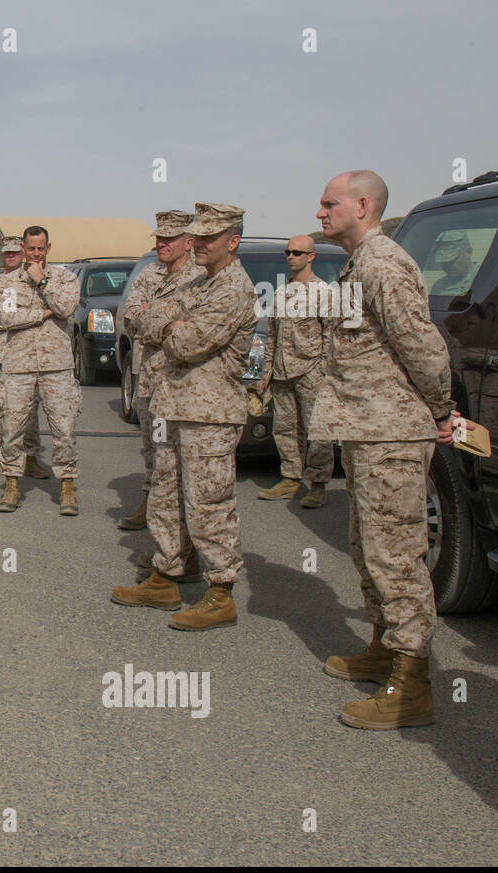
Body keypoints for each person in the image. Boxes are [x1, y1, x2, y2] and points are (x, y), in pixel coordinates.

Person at [311, 170, 457, 730]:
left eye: (331, 203)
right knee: (368, 548)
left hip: (392, 434)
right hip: (368, 430)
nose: (321, 212)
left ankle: (411, 681)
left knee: (396, 556)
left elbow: (422, 345)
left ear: (363, 205)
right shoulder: (358, 264)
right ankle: (381, 646)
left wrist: (441, 411)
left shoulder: (383, 264)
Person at [110, 202, 257, 631]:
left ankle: (220, 592)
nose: (199, 245)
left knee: (209, 503)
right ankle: (168, 575)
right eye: (198, 237)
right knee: (167, 495)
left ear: (232, 242)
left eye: (208, 239)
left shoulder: (233, 288)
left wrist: (171, 326)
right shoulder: (199, 283)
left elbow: (187, 342)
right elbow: (150, 318)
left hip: (210, 414)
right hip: (175, 406)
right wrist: (169, 322)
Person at [116, 210, 203, 530]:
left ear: (189, 242)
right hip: (149, 380)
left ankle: (185, 519)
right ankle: (151, 505)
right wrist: (169, 324)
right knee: (154, 447)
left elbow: (197, 329)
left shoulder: (201, 277)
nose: (161, 243)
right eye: (159, 237)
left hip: (183, 381)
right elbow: (130, 315)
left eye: (169, 238)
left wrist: (154, 319)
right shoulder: (149, 274)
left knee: (184, 454)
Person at [0, 226, 83, 516]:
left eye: (40, 249)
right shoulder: (7, 284)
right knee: (12, 429)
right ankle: (11, 485)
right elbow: (7, 319)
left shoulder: (64, 278)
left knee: (64, 429)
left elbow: (67, 307)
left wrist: (42, 281)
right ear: (22, 248)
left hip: (56, 366)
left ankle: (67, 488)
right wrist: (44, 313)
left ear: (48, 248)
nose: (35, 254)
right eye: (30, 249)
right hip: (19, 366)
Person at [257, 235, 334, 507]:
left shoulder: (324, 292)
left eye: (298, 253)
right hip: (282, 371)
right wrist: (267, 370)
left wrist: (323, 369)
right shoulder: (281, 292)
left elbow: (330, 335)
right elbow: (272, 334)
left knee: (316, 429)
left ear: (311, 257)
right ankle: (291, 478)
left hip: (310, 370)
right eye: (288, 252)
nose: (292, 257)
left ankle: (318, 484)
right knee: (285, 428)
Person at [0, 237, 44, 478]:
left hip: (25, 355)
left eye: (15, 252)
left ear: (23, 253)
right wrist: (32, 316)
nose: (11, 257)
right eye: (7, 254)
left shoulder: (34, 282)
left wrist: (21, 317)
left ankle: (31, 457)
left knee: (29, 411)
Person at [429, 230, 476, 297]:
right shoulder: (439, 286)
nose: (448, 266)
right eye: (444, 262)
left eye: (452, 260)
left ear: (469, 252)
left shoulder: (483, 278)